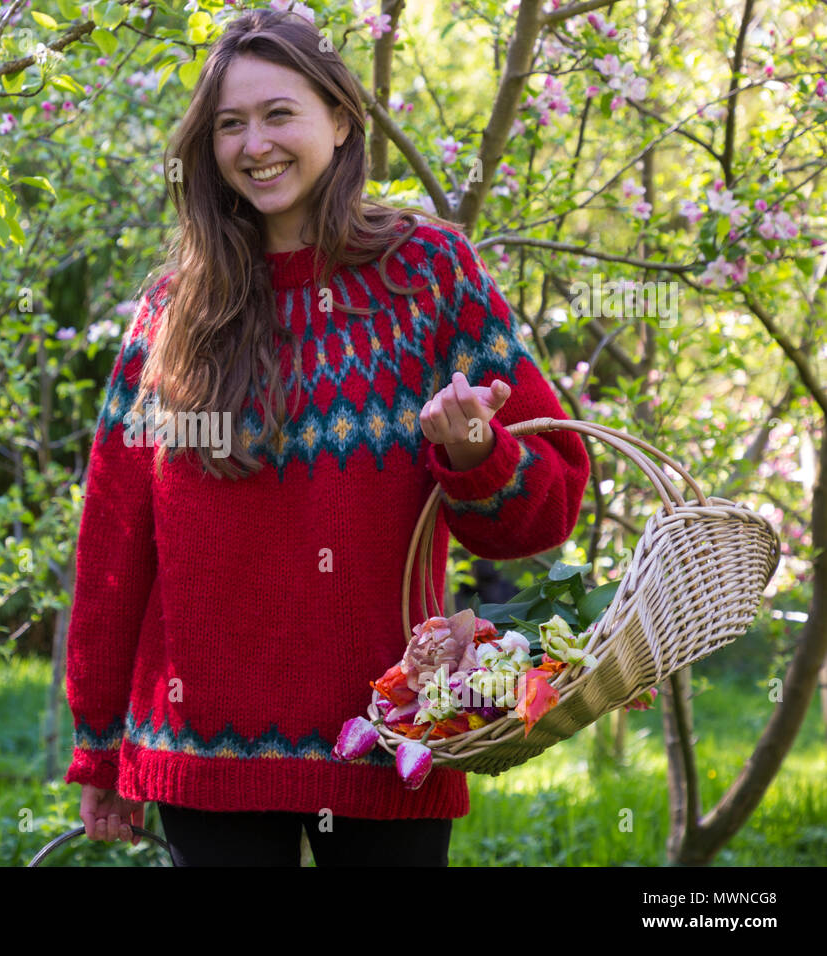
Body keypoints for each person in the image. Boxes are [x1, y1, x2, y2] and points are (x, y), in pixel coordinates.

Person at [62, 8, 590, 866]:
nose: (253, 143)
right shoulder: (174, 310)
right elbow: (116, 540)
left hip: (390, 737)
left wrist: (472, 455)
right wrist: (98, 743)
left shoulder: (430, 277)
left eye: (279, 114)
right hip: (205, 750)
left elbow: (545, 510)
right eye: (229, 124)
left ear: (341, 121)